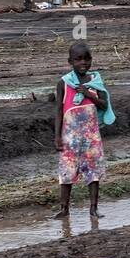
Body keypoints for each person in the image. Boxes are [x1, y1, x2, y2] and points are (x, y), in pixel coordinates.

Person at [53, 40, 115, 218]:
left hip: (91, 137)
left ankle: (93, 208)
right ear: (70, 62)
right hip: (69, 137)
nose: (83, 63)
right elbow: (58, 111)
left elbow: (104, 104)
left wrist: (88, 94)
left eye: (87, 59)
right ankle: (64, 209)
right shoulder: (64, 83)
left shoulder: (96, 81)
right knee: (66, 172)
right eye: (78, 59)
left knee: (93, 172)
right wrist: (57, 136)